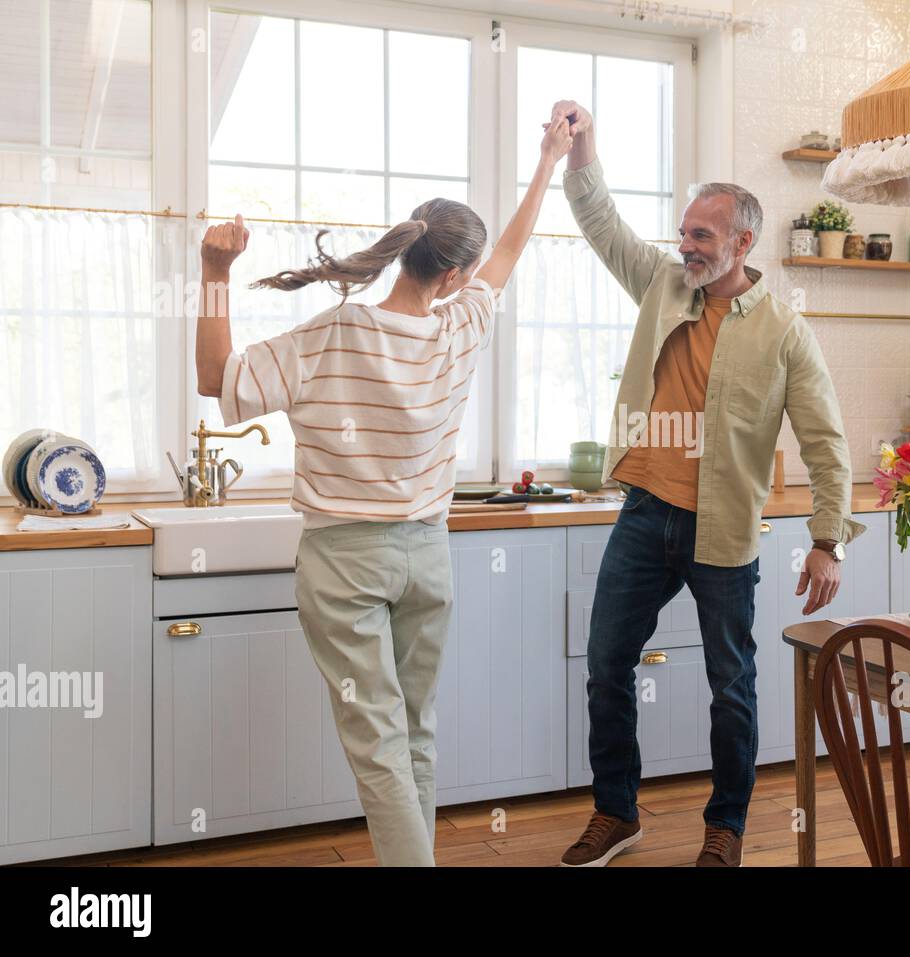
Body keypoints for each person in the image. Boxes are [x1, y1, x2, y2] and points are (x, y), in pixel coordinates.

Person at [193, 109, 575, 866]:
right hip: (427, 557)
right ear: (455, 274)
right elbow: (511, 249)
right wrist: (549, 160)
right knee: (413, 730)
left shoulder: (331, 332)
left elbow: (216, 380)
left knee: (376, 745)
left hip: (344, 562)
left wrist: (212, 274)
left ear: (406, 245)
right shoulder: (462, 326)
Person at [551, 100, 863, 867]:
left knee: (731, 685)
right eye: (684, 231)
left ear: (742, 242)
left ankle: (725, 827)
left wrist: (828, 541)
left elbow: (826, 444)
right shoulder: (664, 284)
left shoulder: (785, 331)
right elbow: (601, 223)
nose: (685, 246)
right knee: (605, 665)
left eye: (702, 235)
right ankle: (615, 813)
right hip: (644, 512)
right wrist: (584, 145)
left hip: (722, 526)